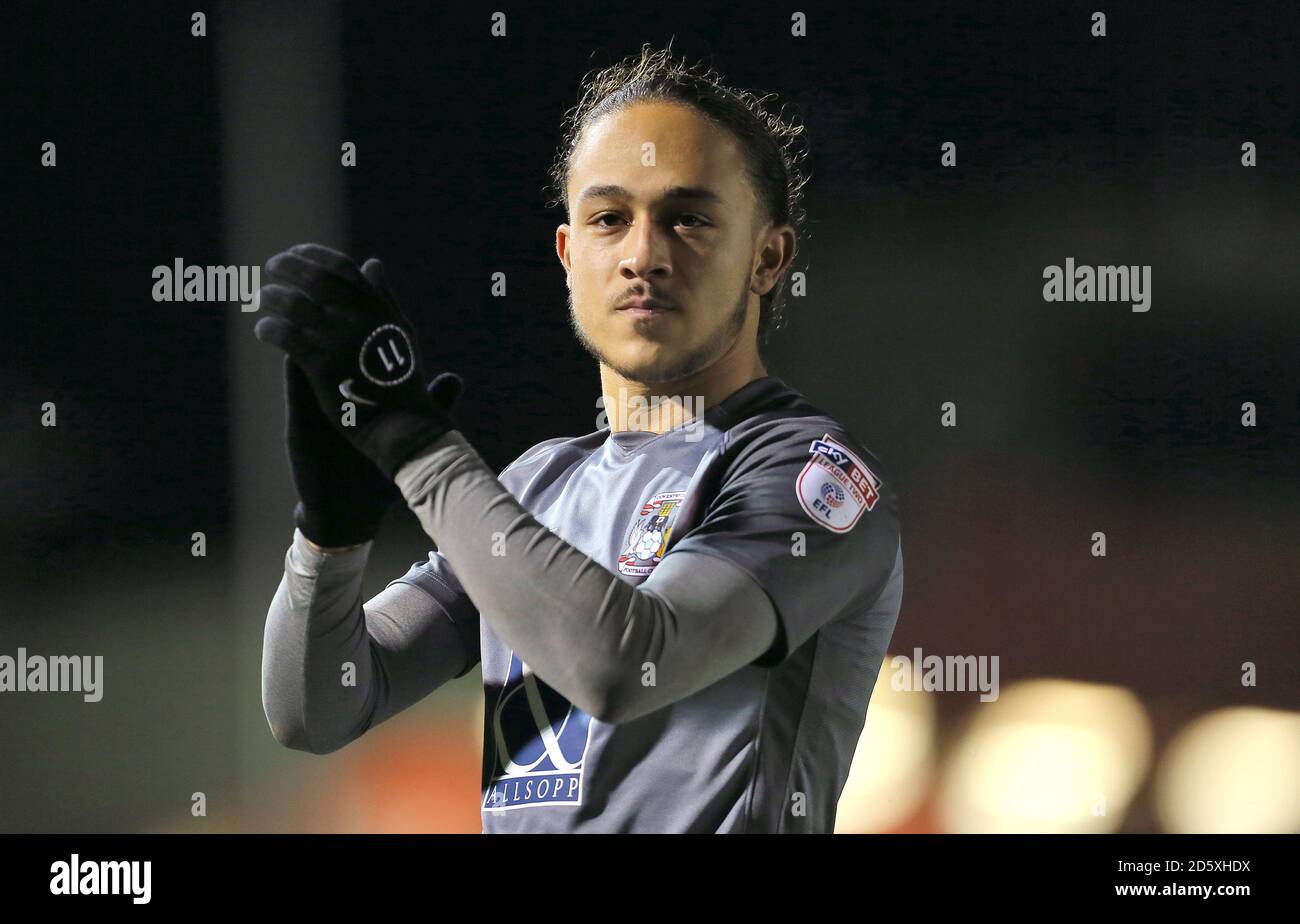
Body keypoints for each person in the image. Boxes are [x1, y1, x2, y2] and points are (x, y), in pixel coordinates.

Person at [254, 44, 903, 833]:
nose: (642, 256)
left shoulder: (804, 471)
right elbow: (315, 710)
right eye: (608, 219)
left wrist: (417, 448)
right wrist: (330, 537)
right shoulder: (536, 487)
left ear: (768, 257)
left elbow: (626, 664)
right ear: (569, 255)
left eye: (688, 218)